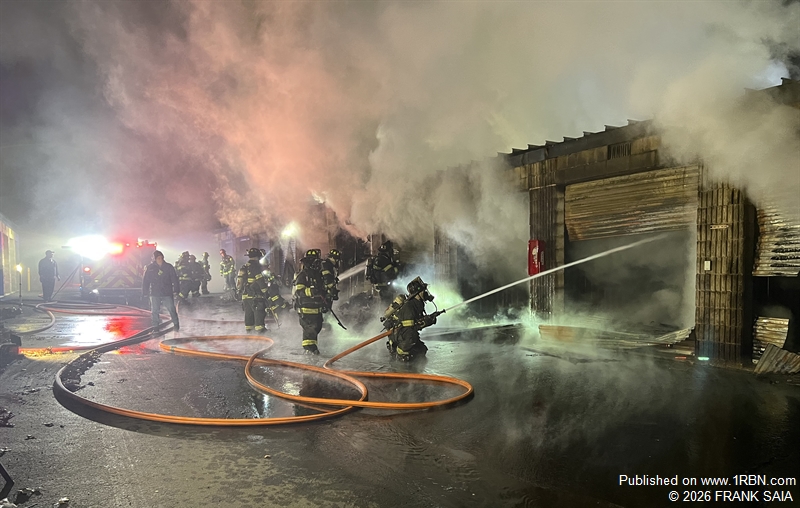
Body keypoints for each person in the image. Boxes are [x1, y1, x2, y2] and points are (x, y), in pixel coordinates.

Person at [385, 276, 441, 362]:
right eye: (423, 291)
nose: (425, 292)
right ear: (417, 293)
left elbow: (418, 320)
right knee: (411, 338)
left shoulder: (418, 303)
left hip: (404, 332)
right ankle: (400, 352)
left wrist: (430, 318)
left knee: (421, 350)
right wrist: (427, 321)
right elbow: (411, 327)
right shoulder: (409, 306)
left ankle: (403, 348)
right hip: (398, 332)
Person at [293, 249, 327, 354]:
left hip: (316, 309)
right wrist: (311, 291)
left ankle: (311, 349)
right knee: (310, 330)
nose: (317, 265)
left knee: (316, 328)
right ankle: (310, 350)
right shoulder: (302, 275)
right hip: (306, 309)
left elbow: (322, 291)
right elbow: (299, 292)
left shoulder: (318, 275)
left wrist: (325, 301)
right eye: (315, 262)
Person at [141, 250, 180, 331]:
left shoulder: (168, 267)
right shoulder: (150, 268)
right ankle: (155, 327)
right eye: (158, 258)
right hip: (155, 293)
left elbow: (174, 278)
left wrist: (176, 290)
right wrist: (145, 292)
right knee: (155, 311)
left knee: (171, 309)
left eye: (161, 258)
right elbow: (146, 281)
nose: (160, 259)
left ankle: (176, 324)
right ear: (155, 259)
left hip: (167, 292)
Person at [236, 247, 270, 332]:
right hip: (255, 295)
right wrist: (265, 291)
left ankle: (249, 331)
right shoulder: (256, 266)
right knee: (259, 312)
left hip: (245, 295)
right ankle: (260, 330)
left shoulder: (244, 267)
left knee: (249, 313)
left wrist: (239, 292)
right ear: (257, 257)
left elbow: (239, 283)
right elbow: (260, 280)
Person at [366, 240, 401, 305]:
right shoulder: (384, 259)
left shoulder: (380, 258)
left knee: (385, 303)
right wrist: (399, 268)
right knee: (387, 304)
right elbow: (390, 272)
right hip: (384, 286)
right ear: (388, 251)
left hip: (381, 285)